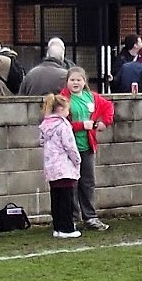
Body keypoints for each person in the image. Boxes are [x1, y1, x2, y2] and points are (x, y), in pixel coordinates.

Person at [62, 66, 114, 231]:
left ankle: (90, 217)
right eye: (72, 80)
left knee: (88, 182)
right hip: (69, 149)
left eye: (79, 79)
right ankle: (72, 218)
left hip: (87, 147)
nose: (75, 83)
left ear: (84, 82)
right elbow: (59, 123)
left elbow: (108, 108)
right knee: (72, 183)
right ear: (67, 82)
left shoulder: (91, 97)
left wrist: (104, 122)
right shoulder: (62, 99)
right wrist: (80, 125)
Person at [38, 93, 81, 239]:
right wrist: (77, 160)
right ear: (61, 109)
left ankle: (57, 227)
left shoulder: (45, 125)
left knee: (56, 198)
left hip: (51, 167)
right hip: (64, 167)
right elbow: (70, 145)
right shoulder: (63, 125)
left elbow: (42, 142)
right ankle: (67, 228)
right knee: (66, 199)